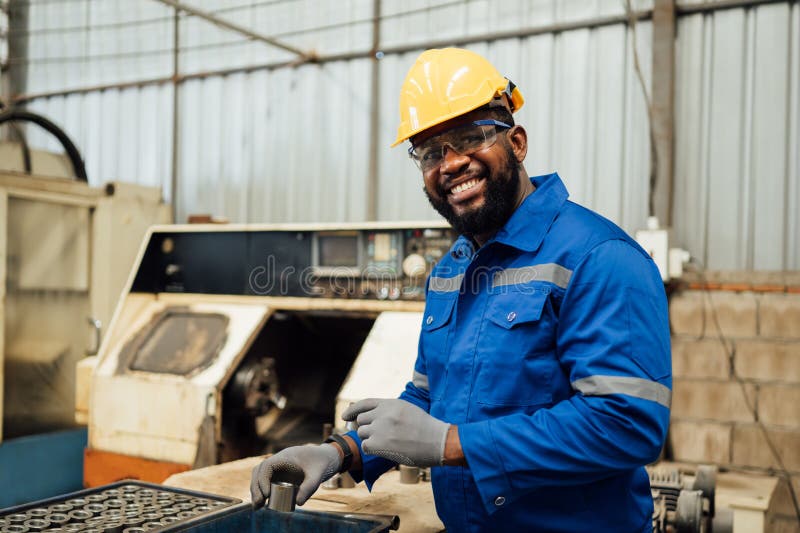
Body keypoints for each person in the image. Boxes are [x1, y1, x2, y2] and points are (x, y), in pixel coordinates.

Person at [251, 47, 671, 532]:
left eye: (471, 137)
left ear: (517, 143)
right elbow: (430, 401)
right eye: (430, 152)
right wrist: (340, 451)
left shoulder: (599, 257)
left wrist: (452, 444)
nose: (450, 163)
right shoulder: (452, 269)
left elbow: (626, 424)